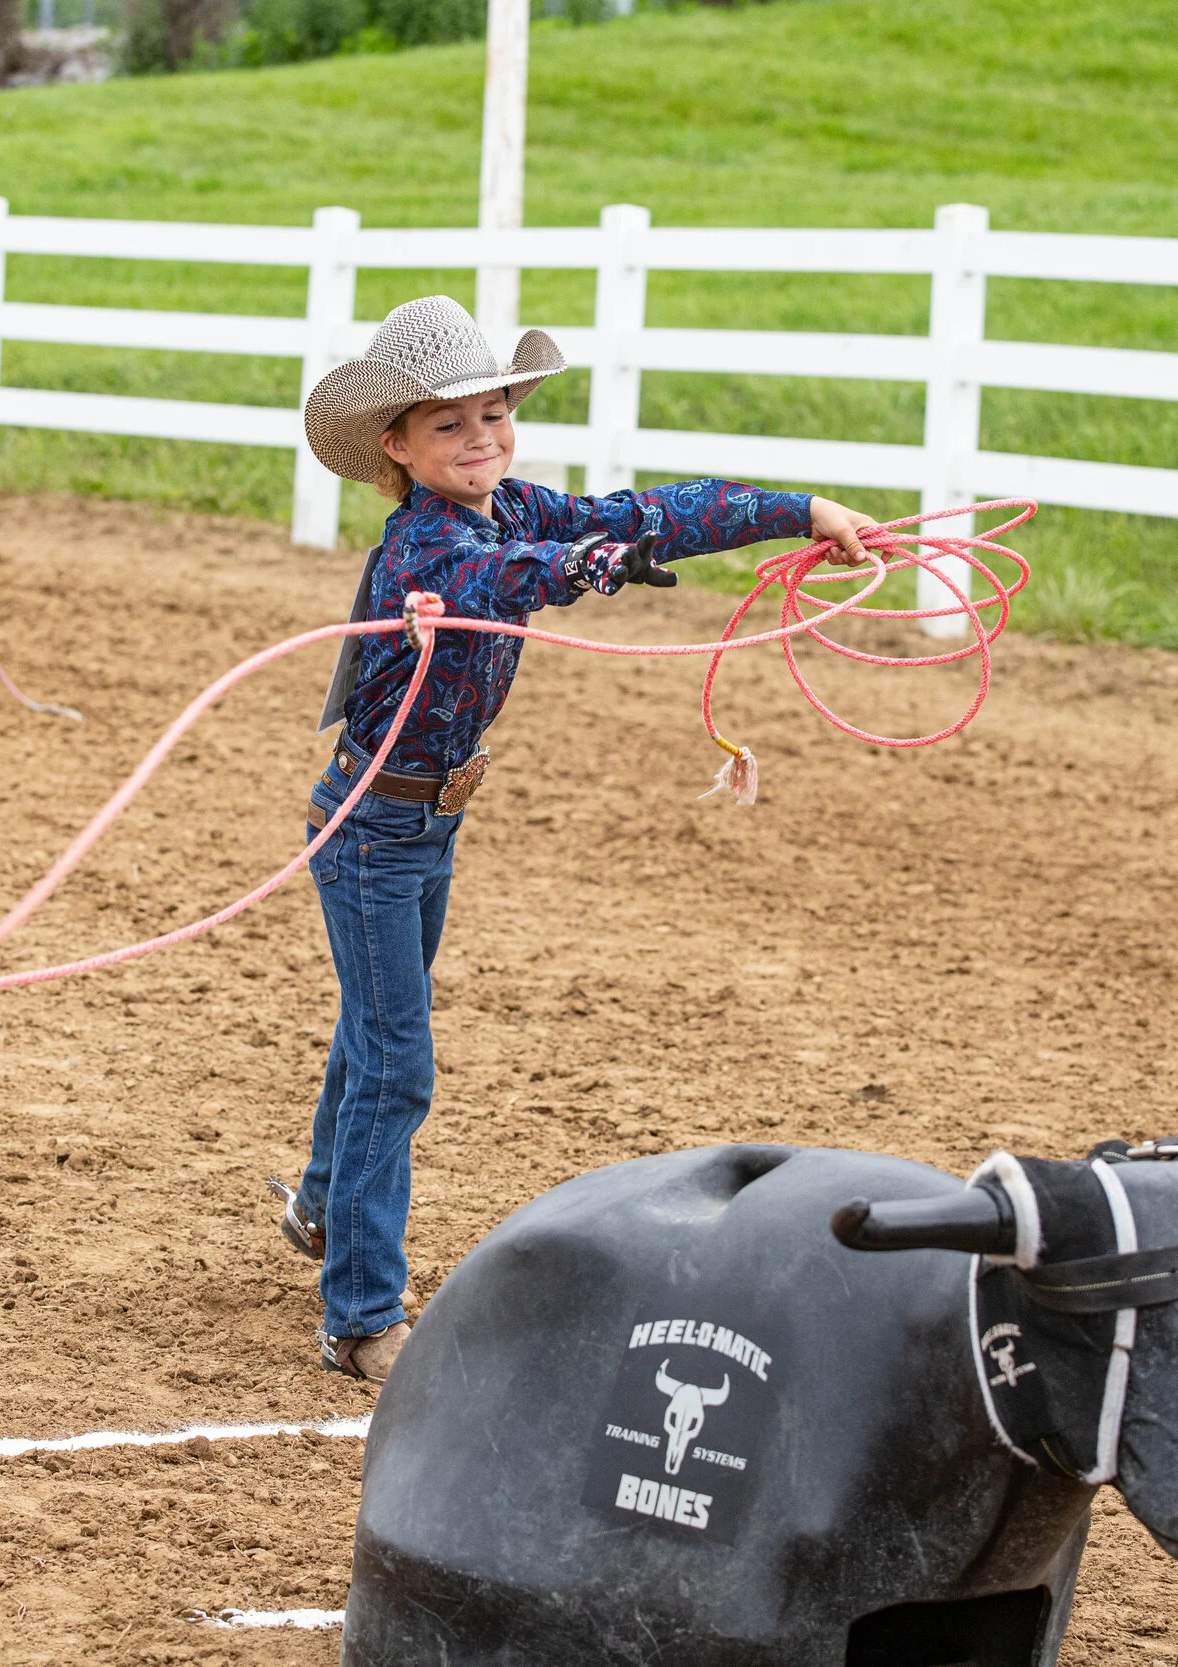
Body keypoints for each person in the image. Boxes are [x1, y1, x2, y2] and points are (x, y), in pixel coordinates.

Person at [268, 295, 883, 1385]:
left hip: (425, 815)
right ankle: (359, 1311)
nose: (484, 439)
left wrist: (799, 508)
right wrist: (593, 563)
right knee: (397, 1056)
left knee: (380, 1024)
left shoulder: (511, 507)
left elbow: (647, 511)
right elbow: (502, 581)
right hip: (373, 827)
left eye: (495, 414)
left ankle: (325, 1205)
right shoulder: (433, 541)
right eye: (452, 425)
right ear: (397, 447)